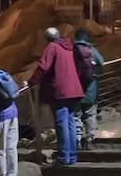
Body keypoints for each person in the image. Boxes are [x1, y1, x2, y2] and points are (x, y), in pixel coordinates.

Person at [28, 27, 85, 165]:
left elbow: (43, 67)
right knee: (70, 121)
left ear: (47, 38)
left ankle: (64, 156)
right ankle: (72, 155)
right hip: (74, 89)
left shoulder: (52, 47)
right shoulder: (69, 47)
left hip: (60, 90)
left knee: (61, 122)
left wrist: (32, 82)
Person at [72, 28, 104, 149]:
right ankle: (90, 139)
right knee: (90, 115)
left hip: (74, 90)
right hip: (91, 89)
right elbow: (101, 62)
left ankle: (77, 139)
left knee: (76, 115)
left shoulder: (70, 51)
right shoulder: (91, 50)